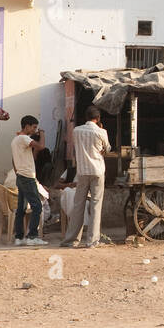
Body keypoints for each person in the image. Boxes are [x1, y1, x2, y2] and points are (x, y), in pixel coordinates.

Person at [62, 106, 111, 248]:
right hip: (97, 171)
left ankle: (71, 240)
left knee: (78, 205)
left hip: (82, 172)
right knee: (96, 205)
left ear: (85, 117)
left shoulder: (76, 130)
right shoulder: (101, 131)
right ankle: (92, 241)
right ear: (98, 118)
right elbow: (107, 149)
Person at [8, 115, 47, 246]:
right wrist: (42, 133)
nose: (35, 130)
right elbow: (41, 147)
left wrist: (19, 172)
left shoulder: (16, 140)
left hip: (20, 176)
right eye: (34, 127)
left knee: (21, 209)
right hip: (27, 177)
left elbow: (17, 159)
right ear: (27, 126)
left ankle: (19, 237)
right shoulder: (24, 138)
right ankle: (32, 236)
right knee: (37, 206)